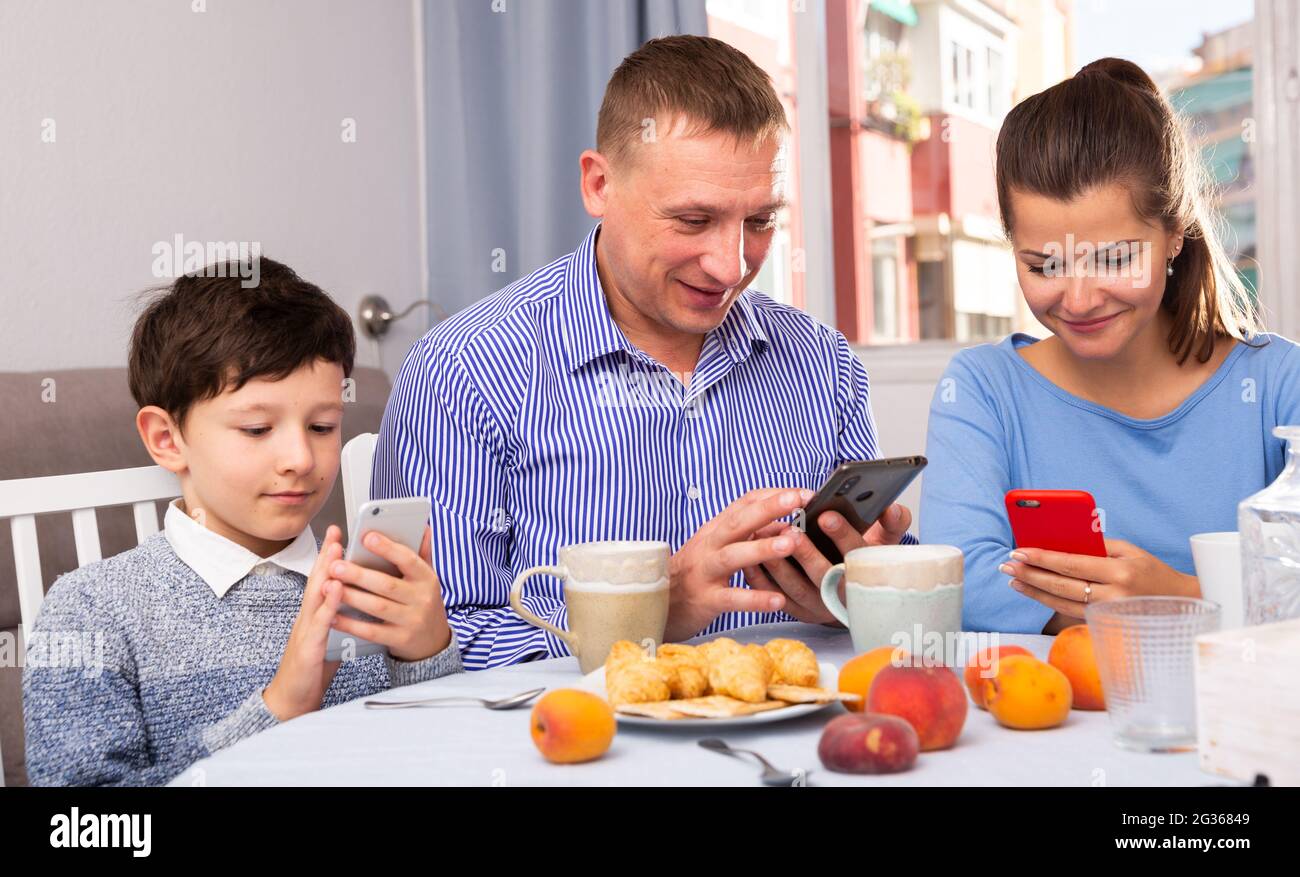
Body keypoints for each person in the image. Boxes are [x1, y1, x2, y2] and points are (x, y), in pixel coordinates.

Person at [371, 35, 915, 669]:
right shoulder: (464, 370)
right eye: (692, 220)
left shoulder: (821, 360)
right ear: (599, 185)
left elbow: (893, 604)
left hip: (796, 741)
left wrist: (859, 596)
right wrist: (657, 611)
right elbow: (432, 649)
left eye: (761, 221)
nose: (731, 264)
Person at [23, 257, 462, 785]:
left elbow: (441, 762)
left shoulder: (365, 587)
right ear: (167, 439)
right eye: (257, 429)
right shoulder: (91, 611)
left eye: (323, 426)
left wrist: (429, 656)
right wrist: (277, 710)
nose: (301, 458)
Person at [920, 58, 1300, 635]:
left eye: (1114, 258)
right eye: (1045, 264)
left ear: (1174, 233)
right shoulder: (982, 387)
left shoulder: (1278, 383)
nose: (1078, 299)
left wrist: (1175, 597)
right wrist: (1229, 603)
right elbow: (958, 583)